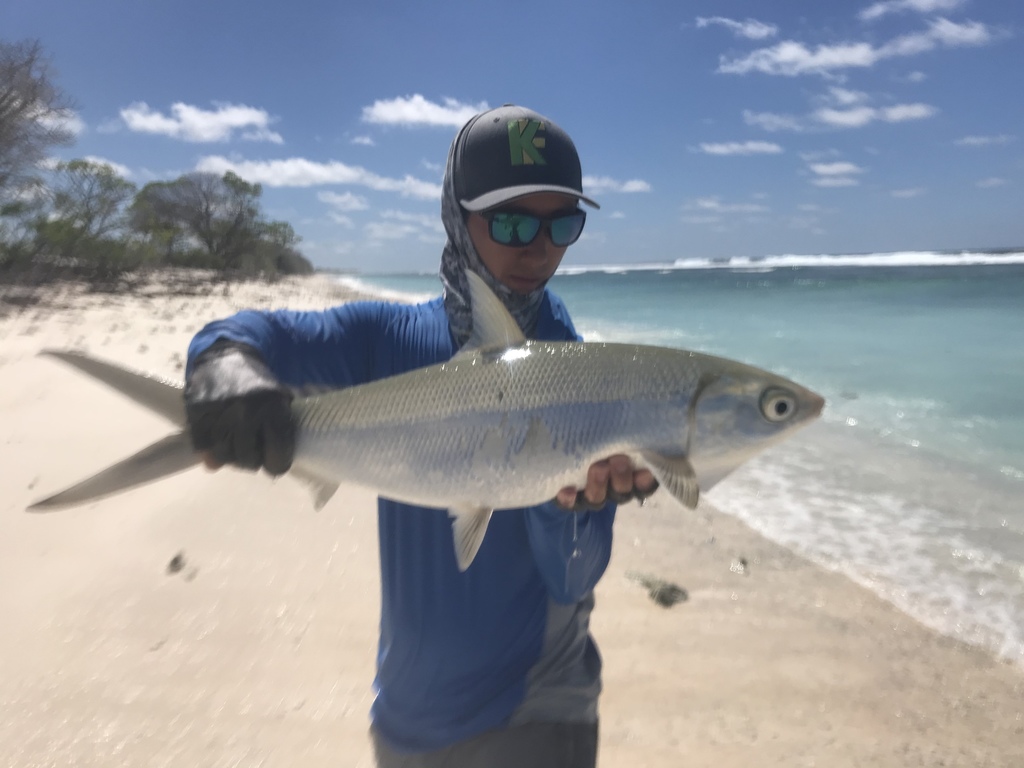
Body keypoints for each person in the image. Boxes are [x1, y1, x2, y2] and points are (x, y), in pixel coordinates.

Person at [183, 104, 657, 767]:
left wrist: (567, 505)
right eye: (512, 220)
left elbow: (573, 576)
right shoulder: (389, 340)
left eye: (563, 223)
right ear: (455, 215)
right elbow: (252, 332)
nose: (539, 247)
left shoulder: (574, 371)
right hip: (404, 714)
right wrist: (222, 364)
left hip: (533, 713)